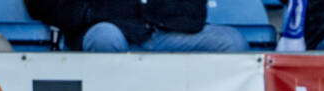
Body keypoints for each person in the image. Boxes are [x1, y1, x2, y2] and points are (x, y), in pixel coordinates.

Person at [24, 0, 248, 53]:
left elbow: (194, 9)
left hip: (166, 31)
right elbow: (43, 4)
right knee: (106, 36)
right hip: (103, 27)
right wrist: (90, 14)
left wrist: (157, 19)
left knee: (230, 41)